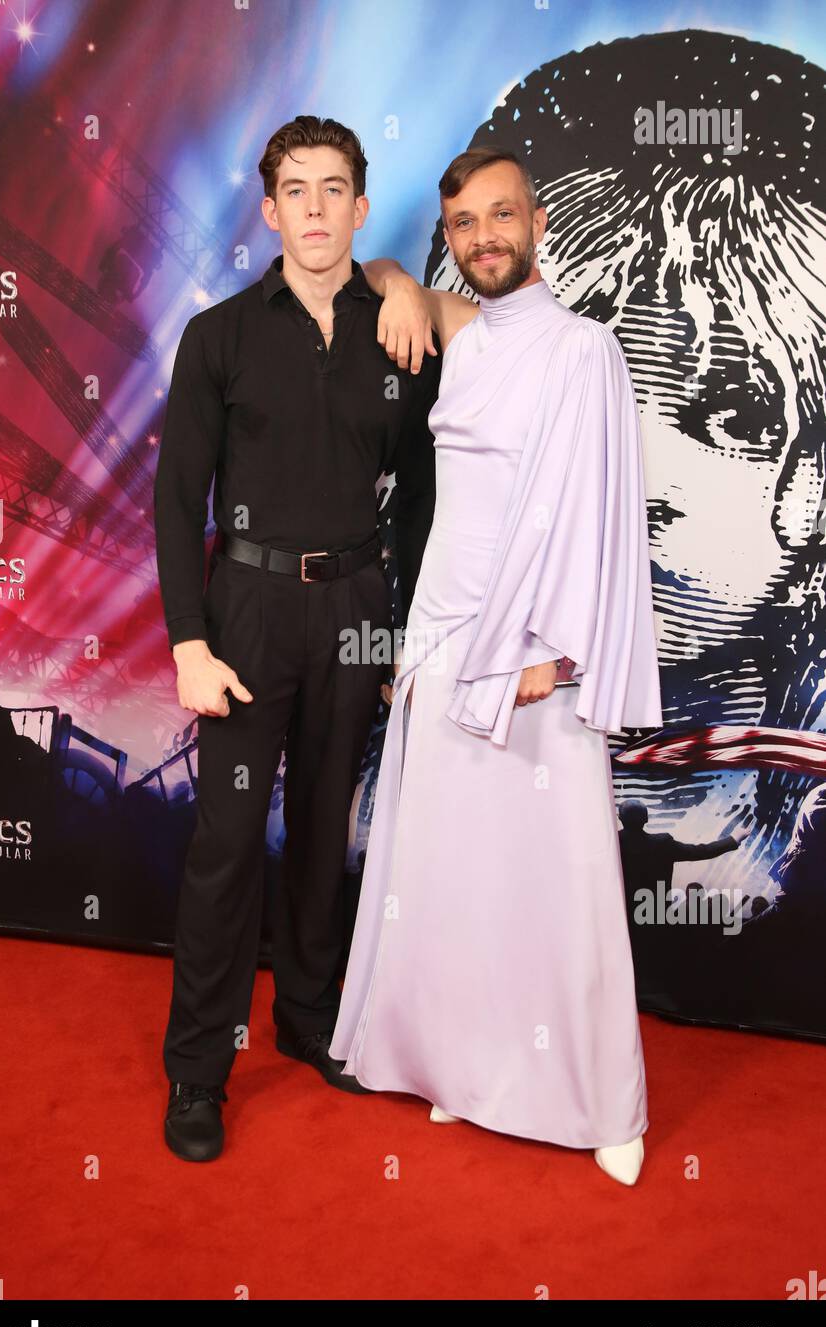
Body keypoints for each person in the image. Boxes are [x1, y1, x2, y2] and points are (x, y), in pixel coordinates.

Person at [329, 146, 664, 1186]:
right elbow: (383, 274)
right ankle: (465, 1073)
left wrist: (553, 654)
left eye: (500, 216)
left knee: (562, 886)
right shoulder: (458, 330)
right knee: (450, 880)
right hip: (440, 641)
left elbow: (599, 515)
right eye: (464, 221)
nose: (483, 235)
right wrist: (392, 285)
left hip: (530, 655)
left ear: (538, 222)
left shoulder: (583, 352)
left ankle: (605, 1104)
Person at [153, 115, 440, 1162]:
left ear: (360, 209)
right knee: (227, 848)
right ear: (267, 209)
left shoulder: (401, 330)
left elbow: (422, 492)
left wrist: (407, 623)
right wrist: (189, 640)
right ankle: (196, 1071)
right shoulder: (218, 336)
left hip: (358, 609)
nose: (315, 208)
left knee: (327, 832)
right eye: (295, 190)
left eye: (334, 190)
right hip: (248, 615)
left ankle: (309, 1021)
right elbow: (176, 497)